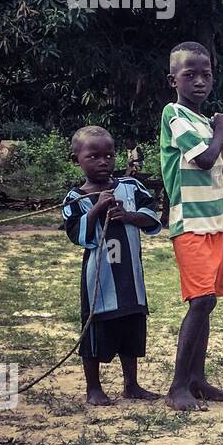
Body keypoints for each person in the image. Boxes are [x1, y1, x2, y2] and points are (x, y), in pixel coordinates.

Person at [159, 41, 223, 411]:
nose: (200, 82)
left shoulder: (205, 121)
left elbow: (218, 174)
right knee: (200, 300)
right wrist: (222, 128)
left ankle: (197, 379)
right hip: (189, 221)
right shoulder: (174, 115)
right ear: (172, 79)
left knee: (209, 304)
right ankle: (177, 388)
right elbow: (205, 159)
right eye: (190, 75)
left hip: (216, 221)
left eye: (206, 75)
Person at [62, 126, 161, 406]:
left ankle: (132, 384)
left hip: (130, 279)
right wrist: (96, 208)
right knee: (95, 331)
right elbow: (76, 234)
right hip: (99, 283)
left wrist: (129, 216)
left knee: (131, 327)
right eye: (94, 156)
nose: (103, 161)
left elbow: (152, 215)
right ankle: (93, 388)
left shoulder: (130, 186)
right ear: (76, 159)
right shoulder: (75, 198)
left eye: (109, 155)